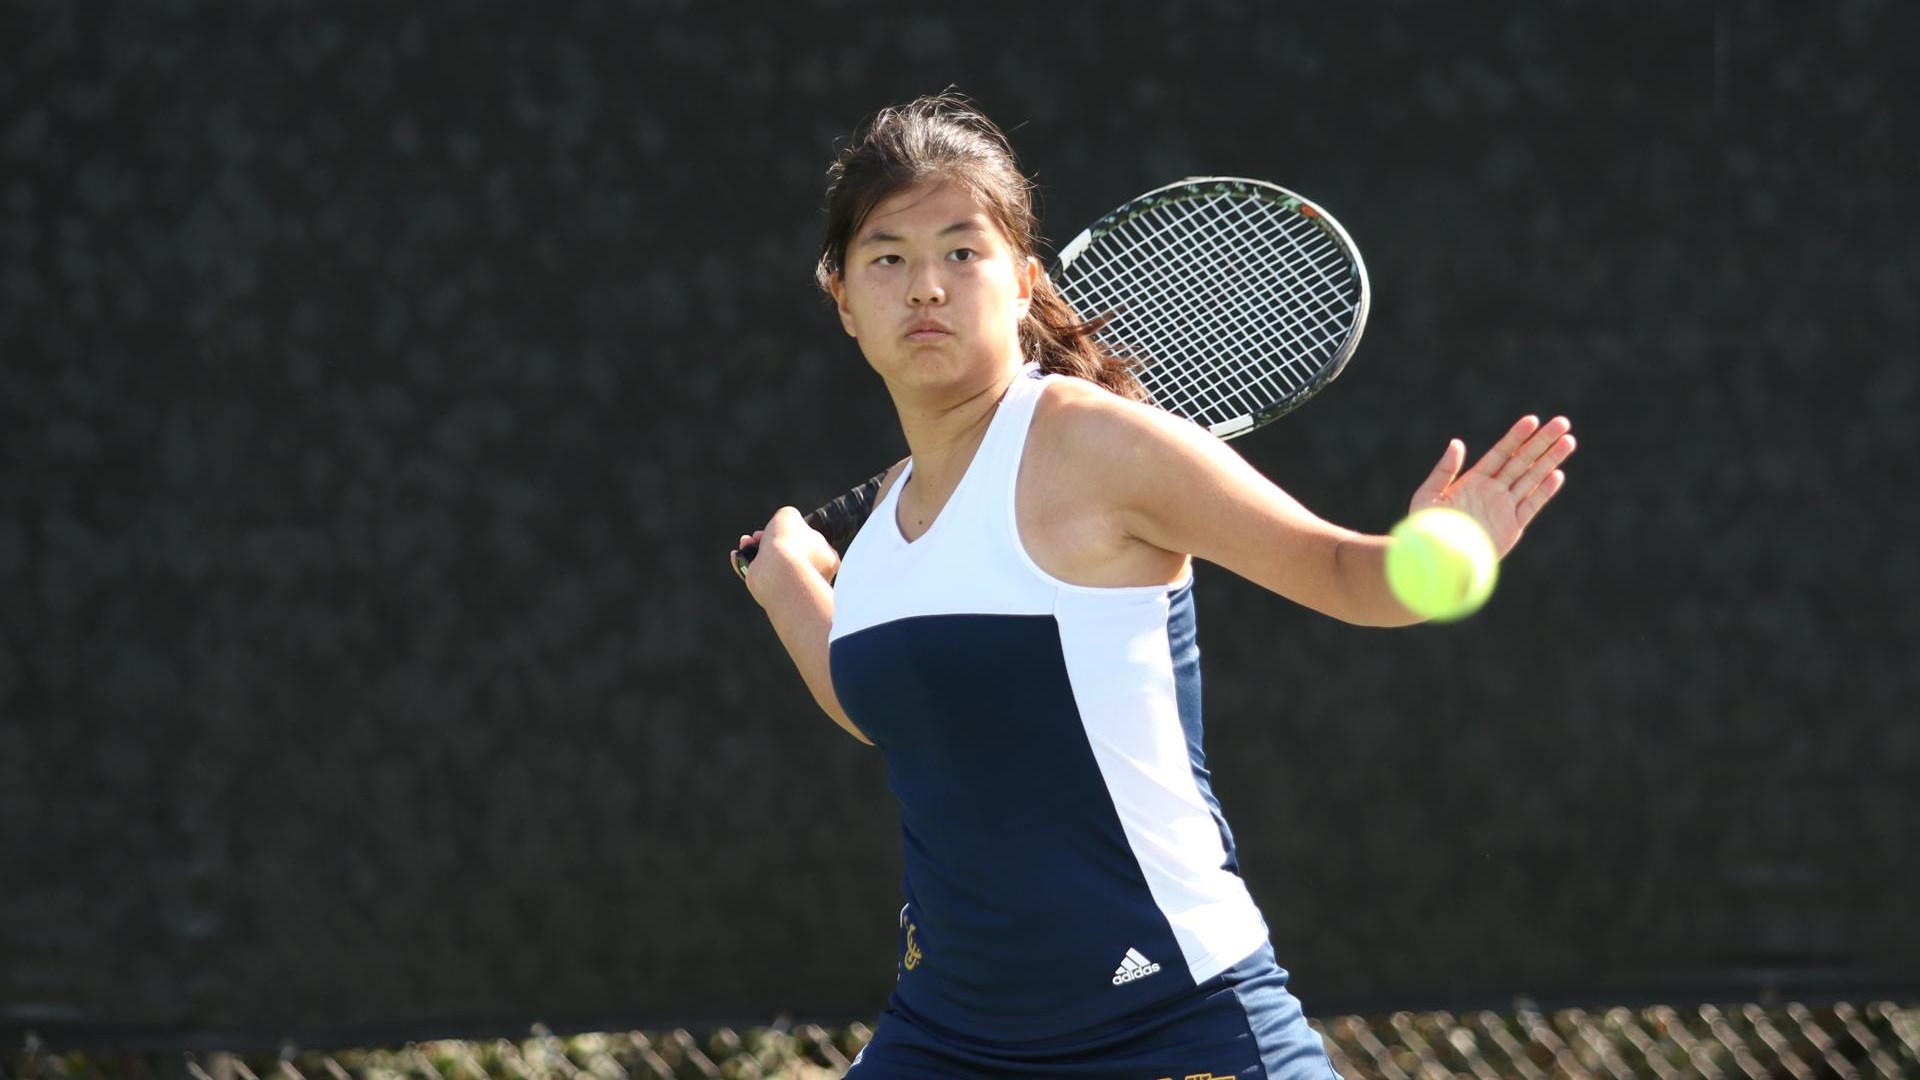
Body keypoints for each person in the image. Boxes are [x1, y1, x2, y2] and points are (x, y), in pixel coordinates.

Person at [734, 93, 1575, 1080]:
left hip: (1172, 1024)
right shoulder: (880, 529)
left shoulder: (1095, 446)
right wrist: (790, 582)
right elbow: (896, 714)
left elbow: (1346, 574)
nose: (927, 287)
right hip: (950, 1038)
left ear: (1022, 284)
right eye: (889, 257)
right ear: (841, 295)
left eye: (963, 252)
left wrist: (1432, 552)